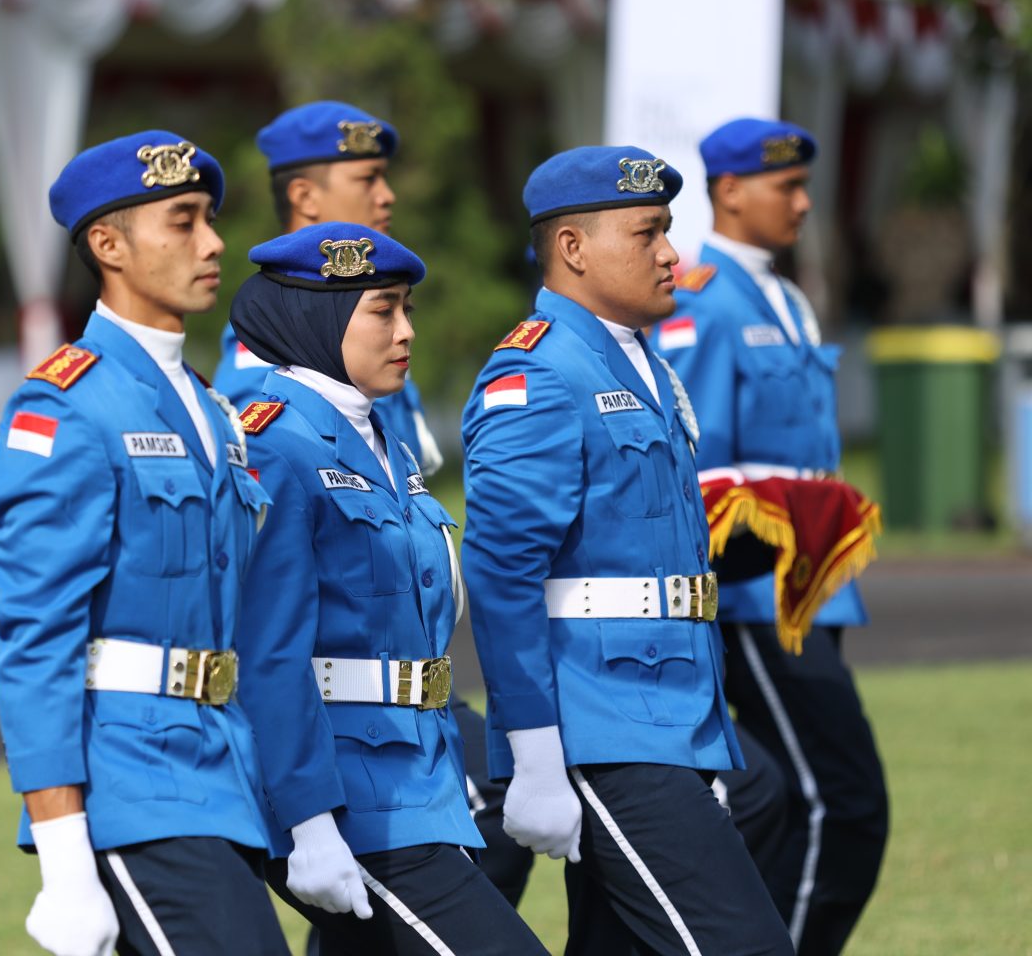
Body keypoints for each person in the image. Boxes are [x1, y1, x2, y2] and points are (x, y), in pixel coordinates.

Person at [462, 146, 793, 955]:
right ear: (573, 248)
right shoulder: (537, 374)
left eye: (667, 231)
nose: (670, 253)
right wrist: (534, 754)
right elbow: (504, 576)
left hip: (671, 711)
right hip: (603, 726)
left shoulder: (637, 359)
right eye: (646, 233)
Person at [0, 131, 289, 956]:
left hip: (221, 771)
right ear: (109, 245)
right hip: (130, 783)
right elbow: (35, 640)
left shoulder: (213, 410)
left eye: (210, 220)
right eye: (183, 221)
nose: (216, 243)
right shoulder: (65, 407)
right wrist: (63, 857)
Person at [229, 222, 546, 953]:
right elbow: (269, 655)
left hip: (414, 778)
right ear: (320, 318)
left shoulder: (380, 441)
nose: (406, 331)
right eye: (383, 310)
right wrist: (308, 822)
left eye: (408, 308)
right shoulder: (275, 445)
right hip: (348, 796)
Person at [651, 117, 889, 956]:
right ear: (727, 192)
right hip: (755, 589)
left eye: (803, 184)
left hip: (814, 584)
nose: (803, 201)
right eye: (785, 186)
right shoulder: (699, 299)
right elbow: (695, 460)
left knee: (792, 799)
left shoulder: (786, 297)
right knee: (843, 803)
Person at [214, 101, 442, 474]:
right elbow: (263, 460)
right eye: (367, 179)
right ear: (305, 197)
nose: (387, 195)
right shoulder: (279, 328)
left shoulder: (373, 313)